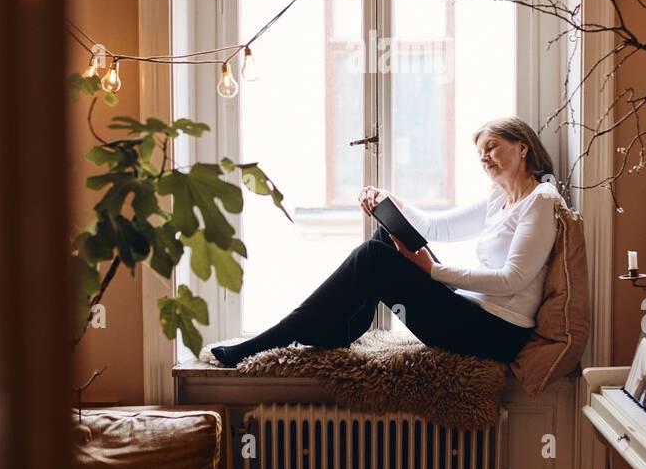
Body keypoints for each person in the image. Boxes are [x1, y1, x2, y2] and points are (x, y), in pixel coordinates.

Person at [208, 116, 563, 368]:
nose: (484, 158)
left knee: (374, 258)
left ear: (522, 148)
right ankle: (338, 329)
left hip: (495, 334)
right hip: (476, 315)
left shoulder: (541, 200)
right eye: (480, 152)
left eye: (491, 147)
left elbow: (513, 279)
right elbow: (436, 228)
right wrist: (389, 202)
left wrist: (434, 271)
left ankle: (277, 338)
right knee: (385, 239)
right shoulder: (498, 198)